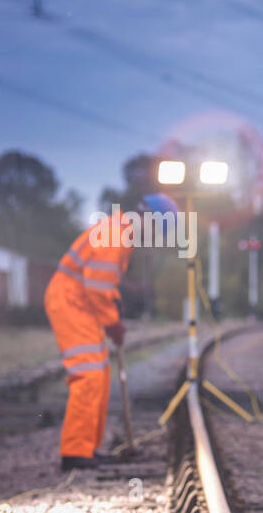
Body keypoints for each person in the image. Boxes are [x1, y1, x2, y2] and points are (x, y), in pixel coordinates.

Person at [45, 193, 175, 470]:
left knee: (100, 374)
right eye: (156, 232)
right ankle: (74, 451)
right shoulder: (116, 235)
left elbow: (104, 284)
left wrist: (114, 307)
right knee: (88, 375)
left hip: (81, 303)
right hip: (70, 302)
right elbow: (97, 287)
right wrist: (112, 322)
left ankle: (87, 448)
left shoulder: (120, 233)